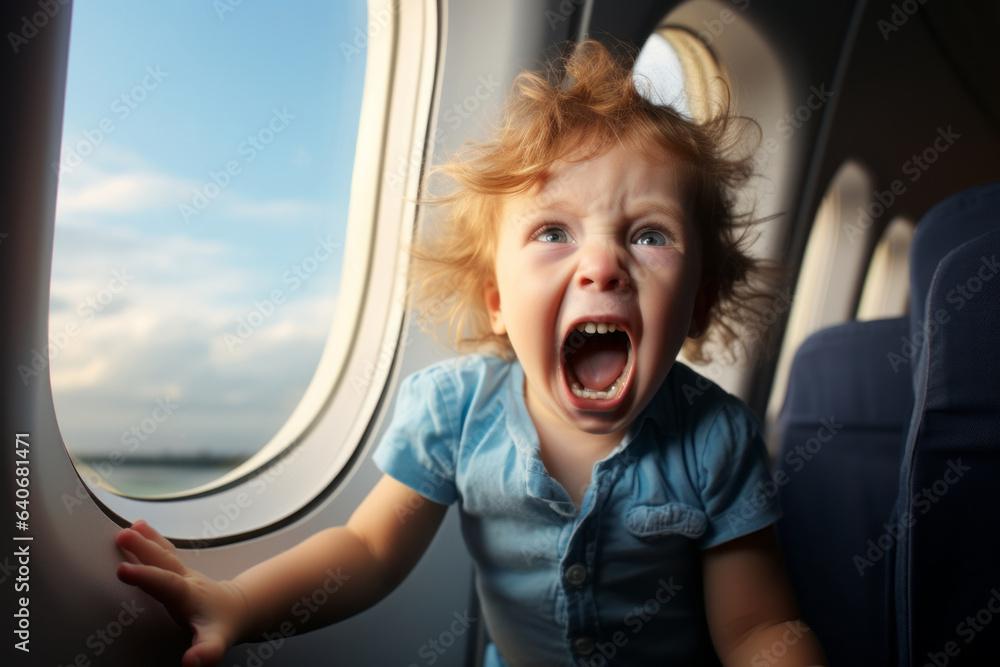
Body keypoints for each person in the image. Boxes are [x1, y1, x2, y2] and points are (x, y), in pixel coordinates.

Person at [116, 40, 827, 667]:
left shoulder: (715, 437)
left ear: (698, 302)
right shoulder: (457, 411)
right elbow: (367, 551)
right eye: (554, 232)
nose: (603, 266)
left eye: (648, 235)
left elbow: (756, 622)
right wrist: (238, 601)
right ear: (496, 299)